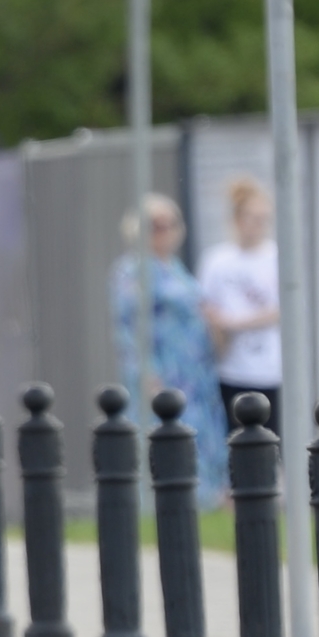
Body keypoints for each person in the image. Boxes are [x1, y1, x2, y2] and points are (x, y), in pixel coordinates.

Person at [111, 193, 226, 502]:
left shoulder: (176, 268)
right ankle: (169, 501)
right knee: (166, 436)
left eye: (169, 224)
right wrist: (145, 372)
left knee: (200, 437)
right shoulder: (132, 271)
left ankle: (205, 500)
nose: (163, 231)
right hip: (163, 372)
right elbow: (127, 327)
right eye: (154, 225)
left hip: (195, 372)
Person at [200, 175, 282, 435]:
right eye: (254, 218)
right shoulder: (217, 260)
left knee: (269, 443)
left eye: (264, 218)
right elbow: (207, 306)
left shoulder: (276, 257)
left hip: (268, 369)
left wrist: (235, 322)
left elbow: (281, 310)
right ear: (237, 219)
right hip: (229, 370)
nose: (260, 225)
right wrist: (219, 331)